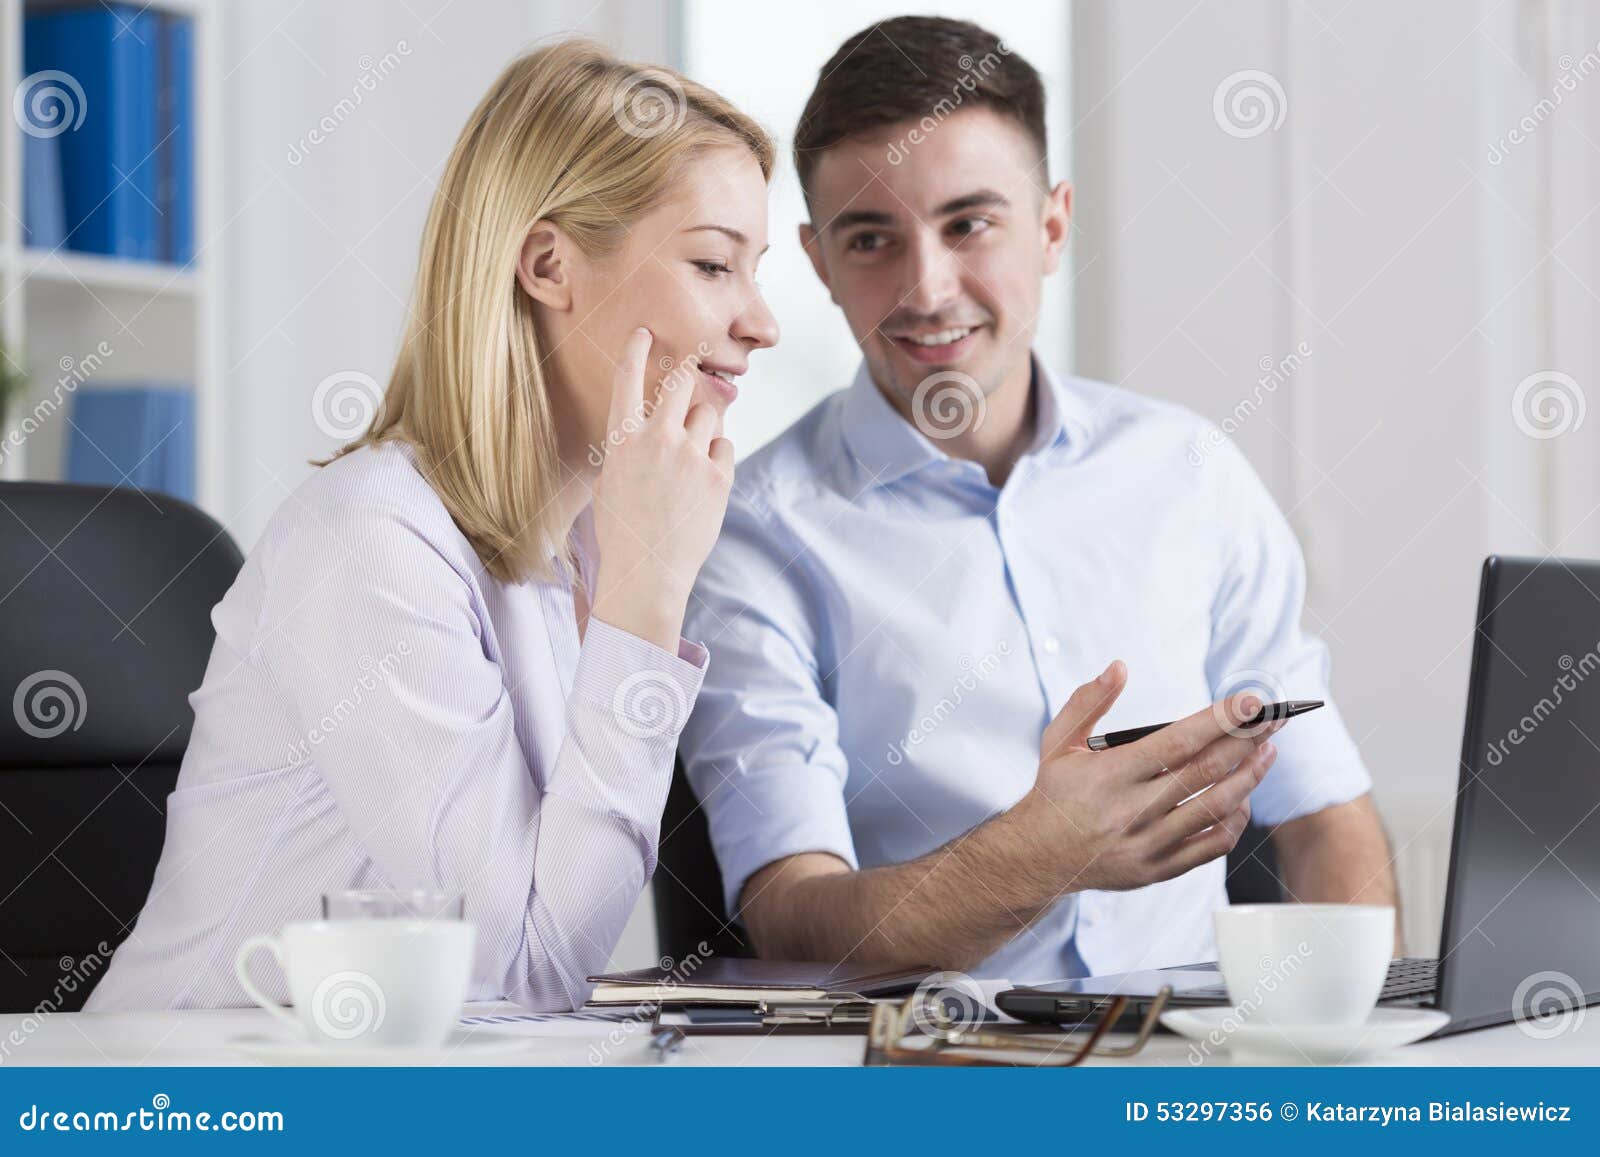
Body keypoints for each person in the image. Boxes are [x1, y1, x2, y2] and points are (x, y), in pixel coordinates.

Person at [679, 15, 1398, 981]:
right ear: (818, 263)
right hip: (936, 1078)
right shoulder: (754, 535)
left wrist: (1361, 1040)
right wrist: (1043, 854)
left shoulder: (1189, 470)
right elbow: (794, 919)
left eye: (969, 223)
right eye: (870, 239)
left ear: (1053, 226)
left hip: (1196, 1063)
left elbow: (1322, 813)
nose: (927, 289)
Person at [88, 40, 778, 1012]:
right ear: (547, 264)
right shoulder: (370, 538)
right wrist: (648, 596)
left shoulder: (588, 546)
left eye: (754, 271)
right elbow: (522, 974)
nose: (761, 322)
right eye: (714, 263)